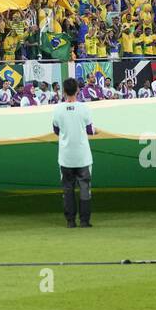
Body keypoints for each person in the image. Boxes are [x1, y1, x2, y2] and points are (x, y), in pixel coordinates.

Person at [52, 77, 95, 228]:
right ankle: (85, 221)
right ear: (77, 90)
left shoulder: (58, 109)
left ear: (63, 91)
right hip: (83, 156)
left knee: (67, 189)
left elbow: (56, 130)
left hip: (66, 156)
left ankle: (70, 221)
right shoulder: (84, 108)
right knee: (85, 187)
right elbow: (90, 130)